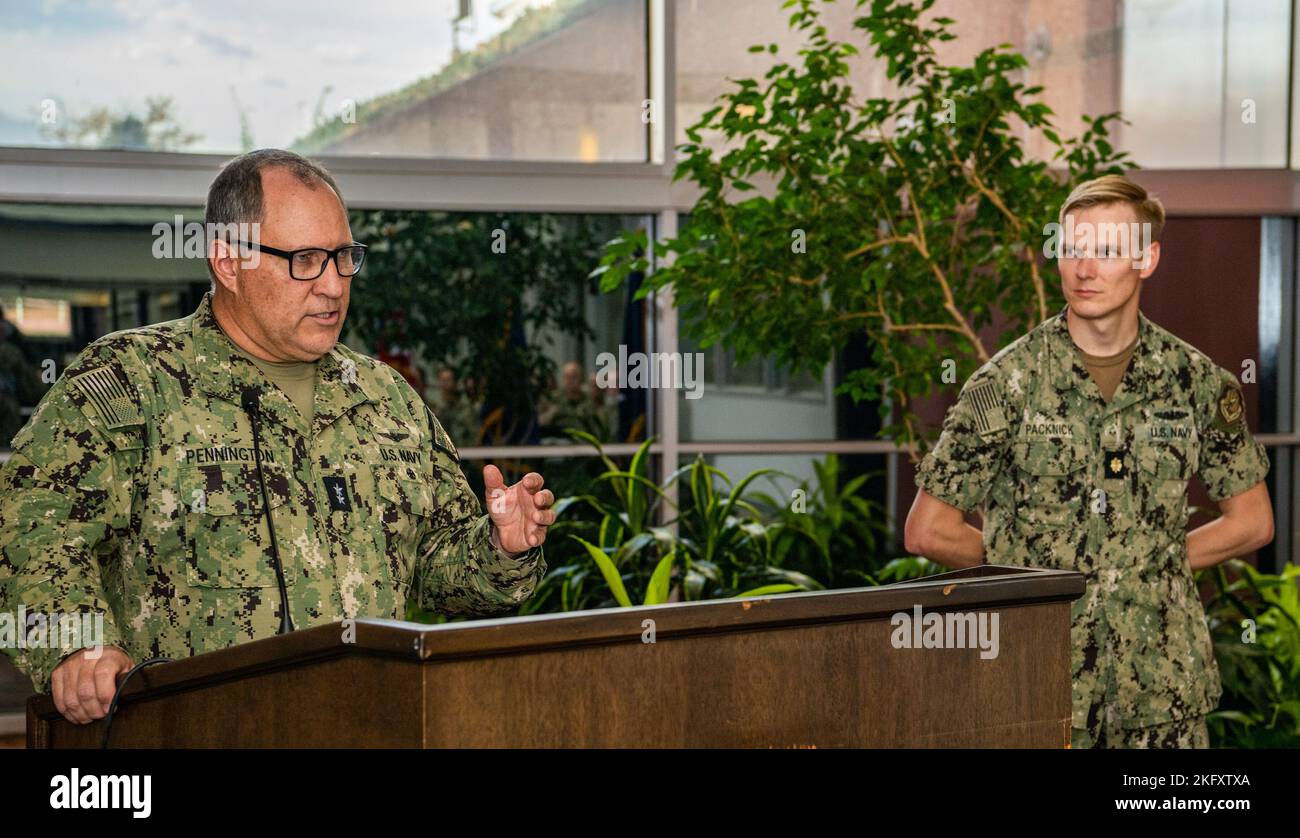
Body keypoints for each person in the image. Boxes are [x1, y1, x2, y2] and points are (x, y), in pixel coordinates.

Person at [0, 149, 555, 725]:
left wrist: (501, 546)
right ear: (228, 261)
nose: (333, 286)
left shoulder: (386, 398)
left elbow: (443, 575)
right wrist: (77, 645)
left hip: (367, 730)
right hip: (193, 736)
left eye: (343, 258)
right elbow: (29, 524)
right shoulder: (134, 382)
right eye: (307, 260)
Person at [904, 174, 1273, 749]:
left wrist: (1150, 562)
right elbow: (929, 530)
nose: (1084, 267)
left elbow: (1252, 521)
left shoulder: (1197, 383)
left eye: (1106, 251)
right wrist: (1035, 571)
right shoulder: (1004, 384)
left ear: (1147, 259)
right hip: (1035, 686)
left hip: (1161, 691)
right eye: (1073, 247)